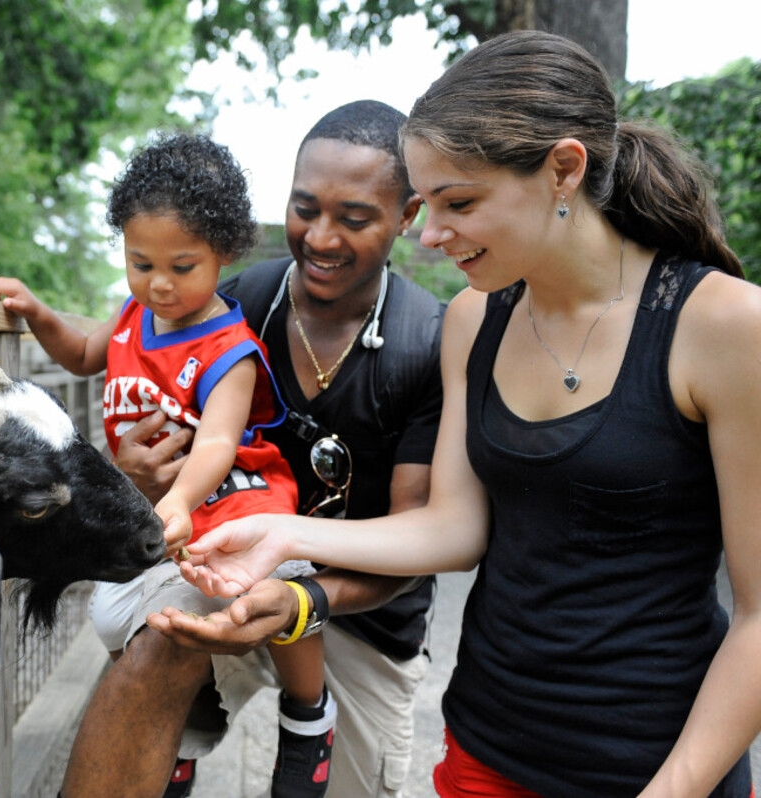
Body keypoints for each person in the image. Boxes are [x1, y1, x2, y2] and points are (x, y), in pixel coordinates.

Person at [177, 31, 760, 798]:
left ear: (564, 169)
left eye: (459, 203)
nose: (427, 234)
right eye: (427, 204)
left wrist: (673, 788)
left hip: (656, 764)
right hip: (485, 747)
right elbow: (454, 529)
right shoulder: (473, 318)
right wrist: (283, 534)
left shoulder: (724, 325)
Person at [63, 100, 445, 798]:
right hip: (224, 568)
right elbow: (147, 411)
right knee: (155, 642)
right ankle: (173, 742)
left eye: (354, 218)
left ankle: (308, 724)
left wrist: (302, 600)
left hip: (358, 611)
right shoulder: (229, 303)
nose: (321, 237)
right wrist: (136, 478)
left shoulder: (428, 344)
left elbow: (420, 540)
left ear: (407, 215)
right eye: (305, 209)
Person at [0, 132, 339, 797]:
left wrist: (178, 500)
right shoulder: (131, 316)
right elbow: (81, 353)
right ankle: (172, 733)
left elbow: (218, 443)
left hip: (232, 491)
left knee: (283, 572)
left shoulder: (228, 349)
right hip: (158, 503)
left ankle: (307, 711)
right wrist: (35, 314)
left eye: (182, 266)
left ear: (224, 253)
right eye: (140, 262)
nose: (159, 283)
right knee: (127, 617)